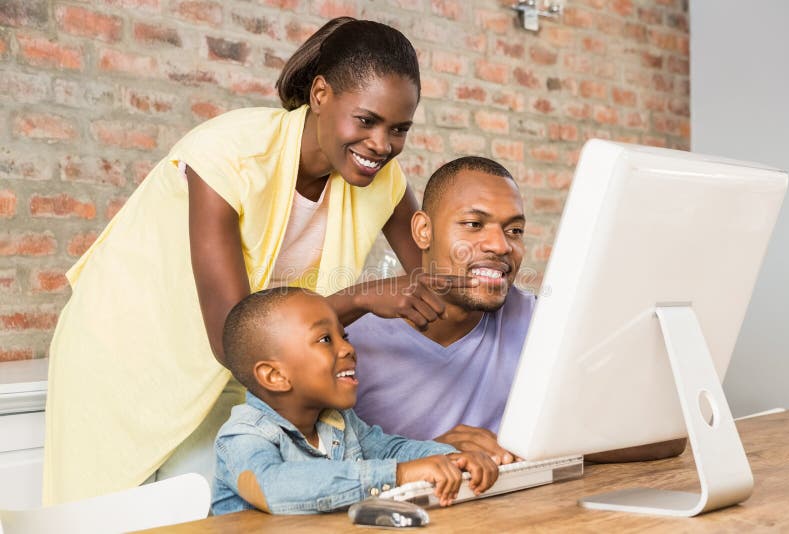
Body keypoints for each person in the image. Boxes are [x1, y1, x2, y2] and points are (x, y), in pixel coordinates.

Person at [44, 17, 470, 505]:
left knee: (227, 507)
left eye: (399, 129)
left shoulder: (384, 183)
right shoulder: (226, 154)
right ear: (321, 94)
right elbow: (233, 338)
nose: (382, 145)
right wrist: (363, 297)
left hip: (240, 370)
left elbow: (441, 286)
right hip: (127, 354)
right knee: (113, 513)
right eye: (366, 120)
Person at [350, 157, 687, 464]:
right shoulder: (352, 337)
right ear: (424, 231)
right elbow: (312, 465)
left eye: (514, 231)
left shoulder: (538, 323)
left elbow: (666, 435)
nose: (500, 245)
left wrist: (521, 449)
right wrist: (430, 455)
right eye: (473, 224)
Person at [212, 287, 498, 514]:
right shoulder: (243, 436)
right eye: (326, 339)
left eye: (343, 335)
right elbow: (273, 486)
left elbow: (390, 449)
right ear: (275, 375)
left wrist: (450, 458)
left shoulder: (337, 420)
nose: (348, 347)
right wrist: (397, 475)